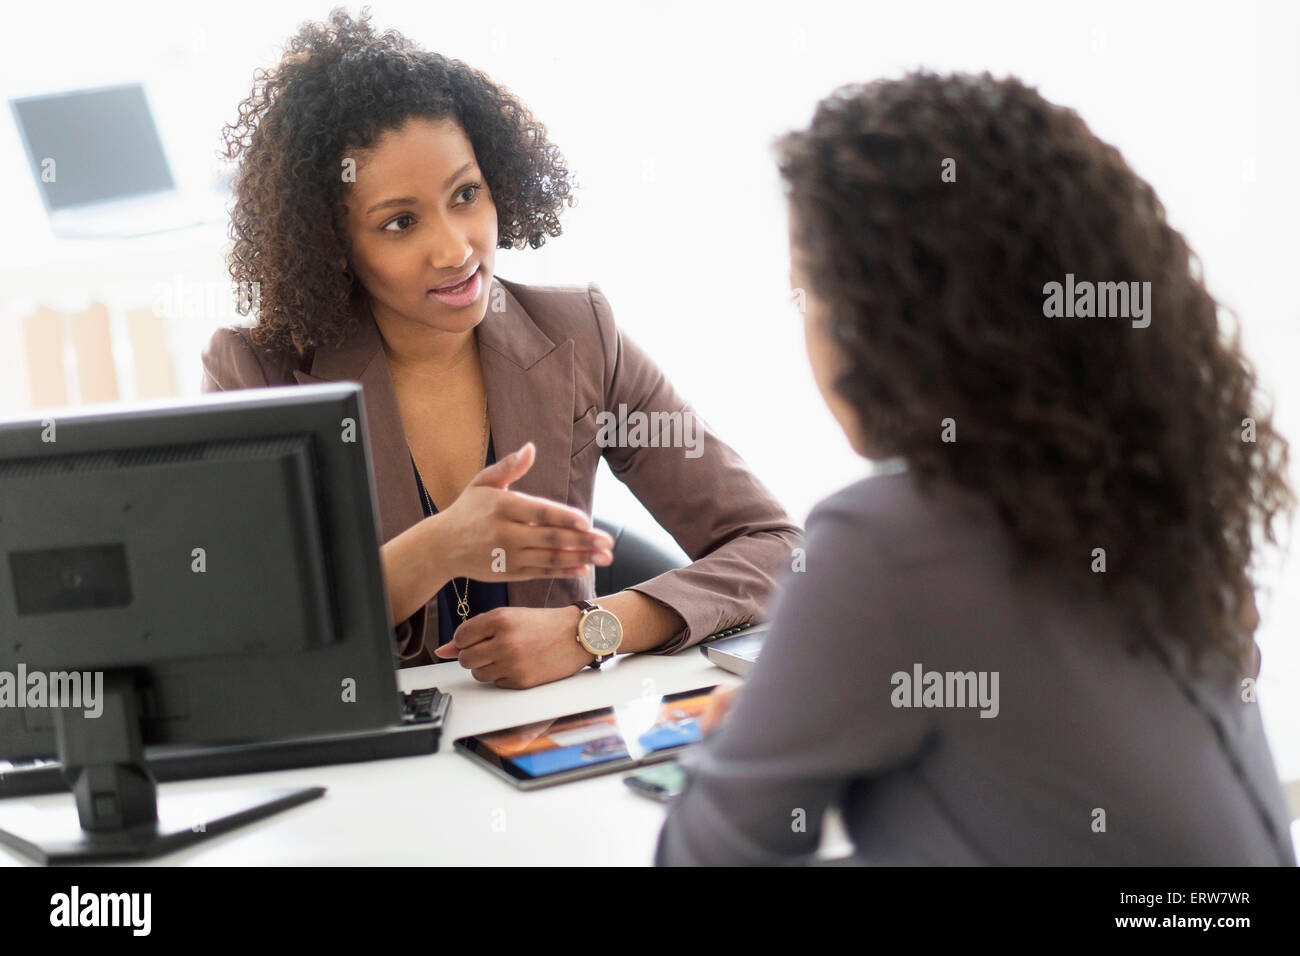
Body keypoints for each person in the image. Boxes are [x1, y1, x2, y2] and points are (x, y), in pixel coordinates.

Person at [657, 71, 1296, 865]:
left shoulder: (888, 539)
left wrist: (744, 751)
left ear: (892, 315)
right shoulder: (1157, 487)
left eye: (809, 291)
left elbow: (704, 855)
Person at [201, 9, 799, 688]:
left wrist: (592, 629)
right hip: (372, 767)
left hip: (550, 746)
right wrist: (435, 549)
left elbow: (777, 548)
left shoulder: (579, 333)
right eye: (400, 222)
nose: (456, 249)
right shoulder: (259, 373)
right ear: (332, 245)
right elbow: (247, 632)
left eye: (466, 194)